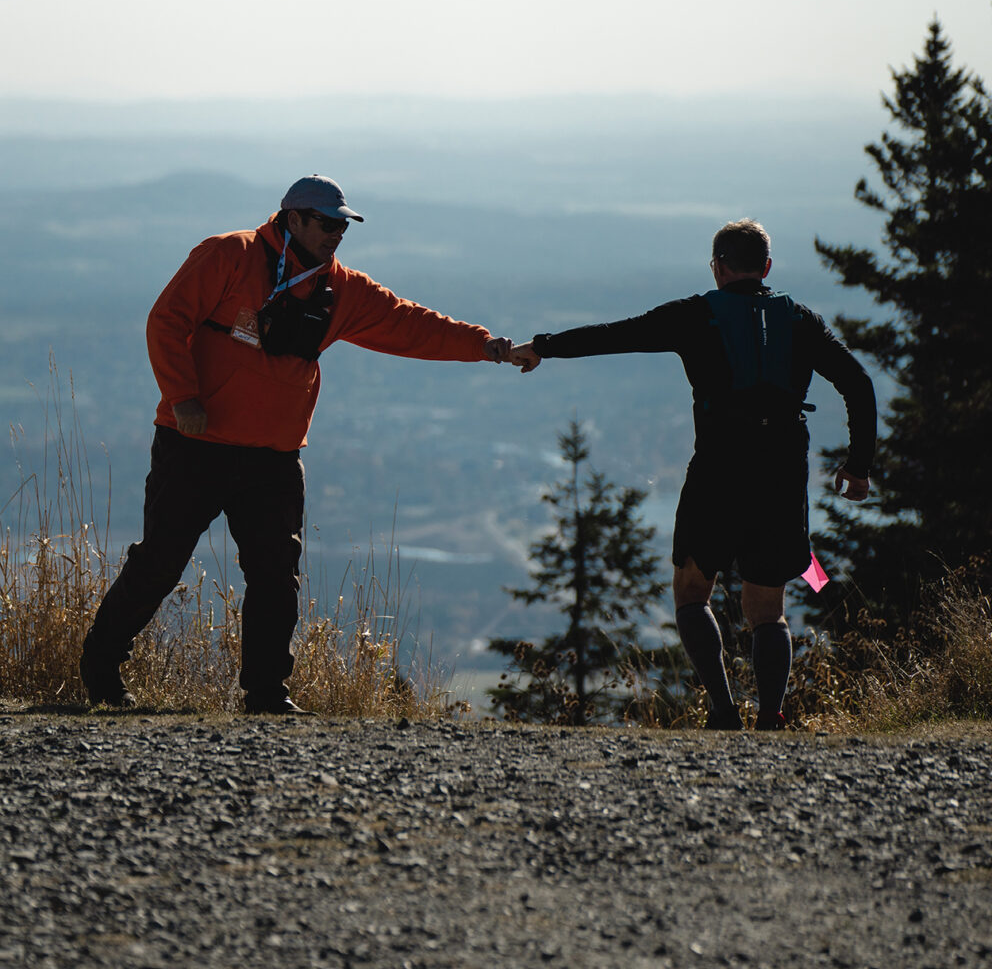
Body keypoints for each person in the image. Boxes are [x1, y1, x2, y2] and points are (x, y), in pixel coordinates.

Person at [80, 175, 514, 714]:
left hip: (274, 456)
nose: (337, 234)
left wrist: (486, 347)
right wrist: (182, 396)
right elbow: (166, 320)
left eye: (343, 225)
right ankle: (99, 666)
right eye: (327, 223)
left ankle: (266, 695)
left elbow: (409, 324)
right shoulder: (228, 255)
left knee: (274, 577)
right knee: (160, 564)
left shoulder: (342, 290)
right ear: (294, 219)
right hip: (194, 443)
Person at [509, 218, 876, 730]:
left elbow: (618, 334)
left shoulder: (696, 314)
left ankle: (723, 711)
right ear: (767, 267)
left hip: (718, 469)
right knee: (768, 609)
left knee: (691, 591)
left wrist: (543, 346)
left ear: (718, 267)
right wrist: (858, 469)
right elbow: (859, 384)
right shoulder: (801, 319)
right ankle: (771, 716)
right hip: (782, 471)